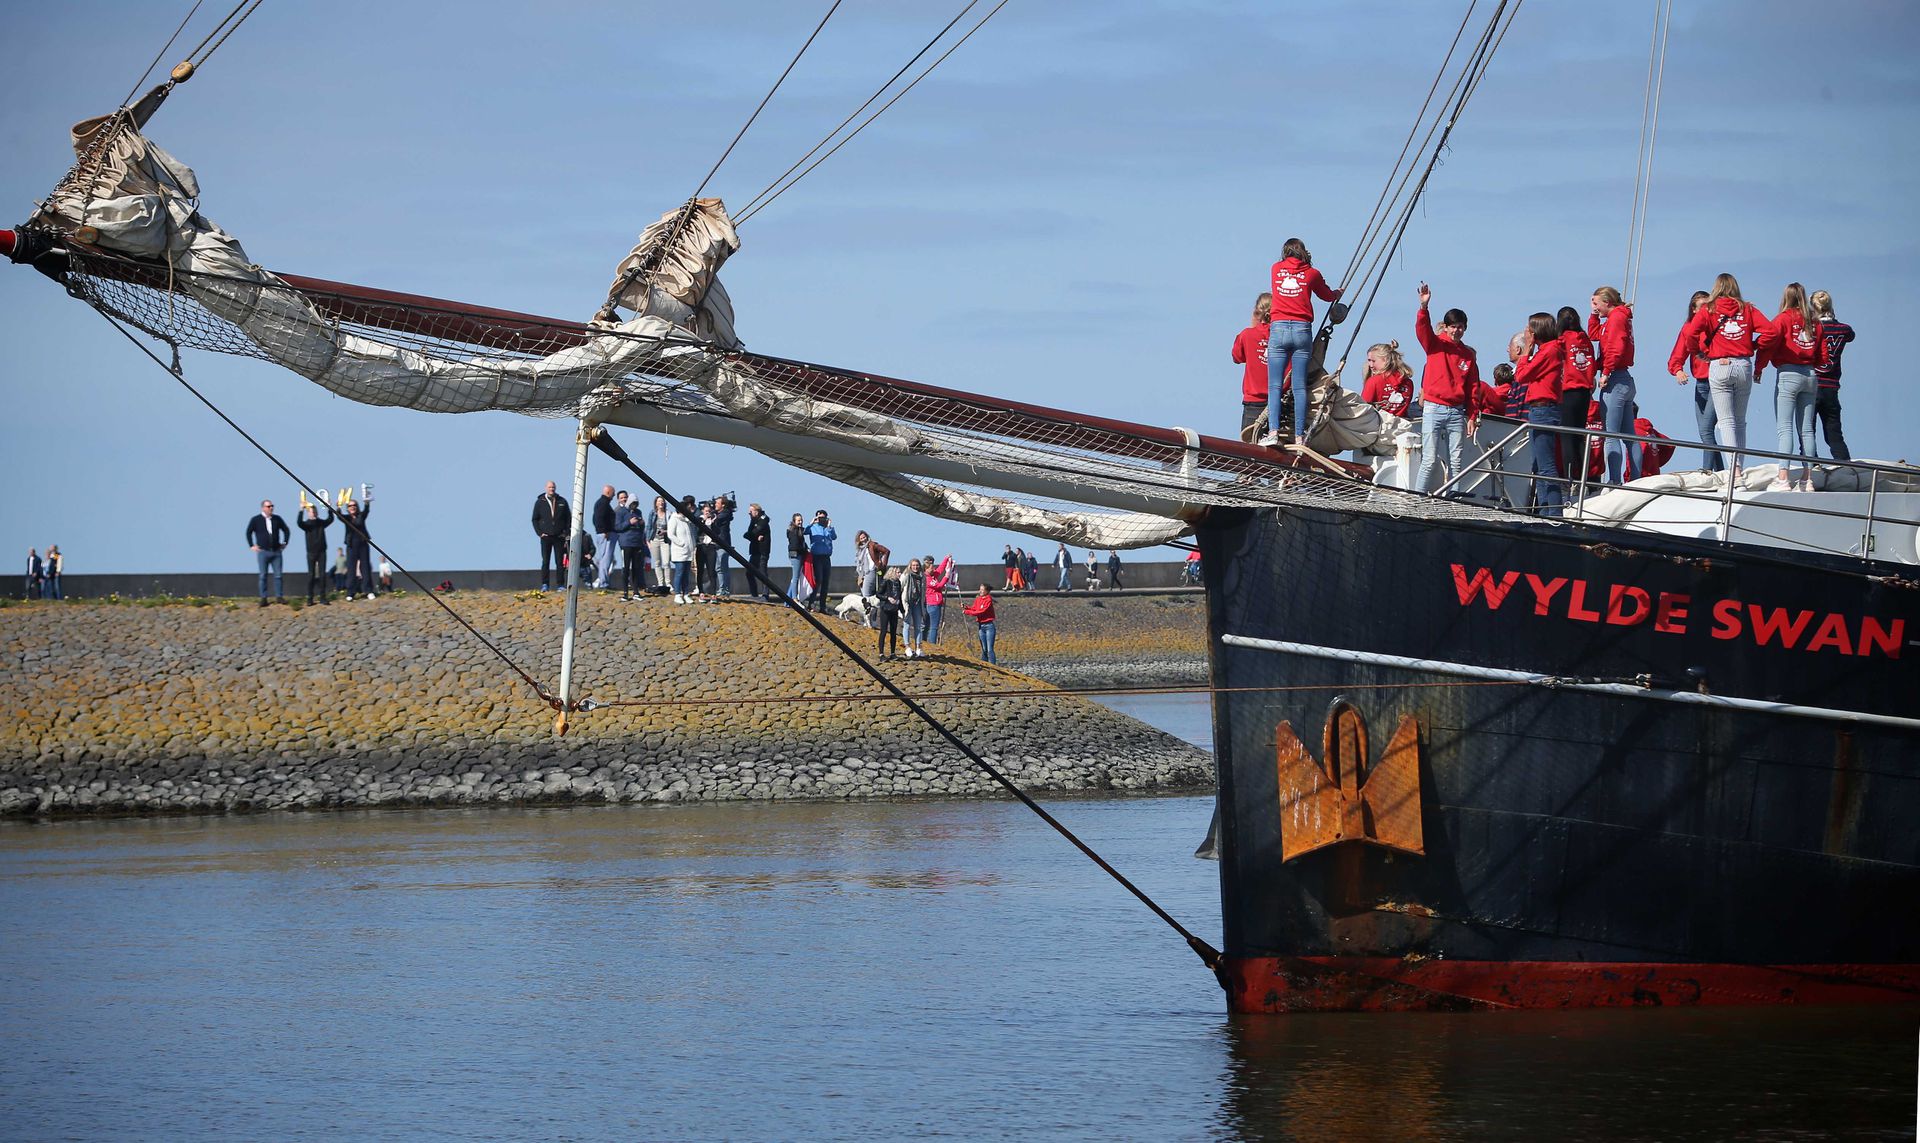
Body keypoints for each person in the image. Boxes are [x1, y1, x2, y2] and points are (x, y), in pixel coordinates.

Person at [1683, 273, 1773, 481]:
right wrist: (1753, 345)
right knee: (1740, 421)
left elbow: (1690, 334)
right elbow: (1771, 331)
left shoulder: (1708, 309)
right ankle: (1739, 465)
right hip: (1743, 365)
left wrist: (1698, 352)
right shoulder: (1747, 308)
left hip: (1720, 365)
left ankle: (1734, 471)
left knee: (1725, 421)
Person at [1265, 238, 1343, 447]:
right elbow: (1326, 296)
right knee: (1299, 386)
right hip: (1301, 329)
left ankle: (1273, 432)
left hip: (1279, 327)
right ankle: (1300, 436)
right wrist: (1338, 294)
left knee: (1274, 385)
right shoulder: (1312, 273)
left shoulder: (1275, 269)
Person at [1413, 283, 1481, 492]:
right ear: (1446, 327)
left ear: (1465, 328)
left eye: (1460, 326)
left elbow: (1473, 388)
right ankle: (1417, 499)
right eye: (1453, 326)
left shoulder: (1468, 355)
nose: (1456, 330)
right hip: (1434, 408)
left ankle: (1454, 497)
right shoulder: (1435, 344)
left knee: (1457, 461)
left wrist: (1473, 415)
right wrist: (1423, 308)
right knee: (1430, 459)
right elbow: (1422, 330)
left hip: (1456, 411)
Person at [1769, 282, 1827, 491]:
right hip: (1810, 375)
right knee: (1807, 430)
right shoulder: (1815, 322)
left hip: (1788, 373)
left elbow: (1769, 340)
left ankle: (1783, 477)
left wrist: (1763, 364)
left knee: (1785, 428)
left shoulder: (1782, 319)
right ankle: (1807, 478)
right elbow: (1823, 356)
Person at [1516, 312, 1568, 516]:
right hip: (1540, 409)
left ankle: (1554, 513)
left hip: (1544, 410)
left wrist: (1526, 350)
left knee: (1546, 466)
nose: (1527, 333)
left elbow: (1521, 375)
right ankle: (1545, 509)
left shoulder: (1549, 351)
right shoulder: (1549, 350)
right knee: (1538, 465)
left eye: (1529, 330)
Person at [1588, 287, 1638, 483]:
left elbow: (1616, 347)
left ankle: (1615, 481)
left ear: (1607, 302)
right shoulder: (1616, 318)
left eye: (1597, 303)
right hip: (1624, 379)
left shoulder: (1616, 318)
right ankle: (1635, 477)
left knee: (1611, 435)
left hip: (1615, 379)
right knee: (1629, 437)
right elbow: (1594, 334)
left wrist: (1606, 372)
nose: (1595, 307)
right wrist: (1593, 315)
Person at [1667, 290, 1720, 471]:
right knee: (1706, 432)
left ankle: (1708, 470)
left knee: (1707, 430)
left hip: (1718, 382)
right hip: (1701, 384)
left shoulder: (1716, 326)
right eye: (1703, 307)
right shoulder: (1689, 328)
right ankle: (1721, 472)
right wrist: (1678, 370)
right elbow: (1677, 355)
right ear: (1694, 309)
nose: (1707, 310)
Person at [1807, 290, 1856, 463]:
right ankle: (1846, 467)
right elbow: (1851, 335)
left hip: (1810, 385)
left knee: (1807, 432)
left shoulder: (1810, 329)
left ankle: (1811, 467)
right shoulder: (1842, 329)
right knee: (1834, 433)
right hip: (1831, 387)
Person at [1557, 307, 1599, 485]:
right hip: (1585, 393)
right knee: (1580, 437)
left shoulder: (1562, 339)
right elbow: (1593, 365)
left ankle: (1569, 479)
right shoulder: (1586, 340)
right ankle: (1585, 477)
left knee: (1567, 436)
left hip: (1568, 390)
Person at [1233, 292, 1274, 441]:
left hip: (1253, 402)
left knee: (1250, 449)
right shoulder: (1283, 337)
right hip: (1279, 402)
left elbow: (1237, 357)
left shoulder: (1247, 335)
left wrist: (1254, 327)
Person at [246, 498, 291, 606]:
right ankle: (263, 598)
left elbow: (286, 530)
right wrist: (252, 545)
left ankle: (279, 596)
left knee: (278, 575)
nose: (271, 508)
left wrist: (284, 543)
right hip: (263, 552)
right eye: (268, 506)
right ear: (263, 508)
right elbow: (248, 532)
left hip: (276, 552)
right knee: (263, 575)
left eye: (272, 506)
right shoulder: (256, 519)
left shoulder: (277, 519)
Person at [1360, 341, 1416, 420]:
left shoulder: (1374, 381)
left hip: (1379, 426)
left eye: (1373, 361)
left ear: (1385, 360)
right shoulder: (1408, 383)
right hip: (1402, 425)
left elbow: (1363, 409)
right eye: (1369, 361)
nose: (1371, 365)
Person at [531, 480, 570, 592]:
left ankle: (560, 585)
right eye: (549, 487)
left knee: (559, 562)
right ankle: (545, 584)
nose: (551, 489)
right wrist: (540, 533)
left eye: (553, 487)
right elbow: (534, 519)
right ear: (545, 488)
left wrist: (565, 532)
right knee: (545, 561)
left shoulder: (561, 501)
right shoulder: (540, 502)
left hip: (559, 536)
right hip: (546, 537)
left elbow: (568, 518)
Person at [297, 499, 335, 605]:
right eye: (311, 512)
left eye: (314, 512)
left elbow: (330, 519)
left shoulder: (321, 523)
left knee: (322, 575)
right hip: (311, 553)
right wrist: (301, 510)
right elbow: (299, 523)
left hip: (322, 552)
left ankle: (323, 597)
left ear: (317, 513)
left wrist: (329, 508)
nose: (313, 513)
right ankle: (310, 598)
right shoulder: (307, 525)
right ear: (308, 513)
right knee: (311, 575)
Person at [341, 495, 375, 599]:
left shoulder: (361, 516)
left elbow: (366, 511)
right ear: (347, 508)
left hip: (363, 544)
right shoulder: (346, 518)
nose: (352, 507)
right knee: (351, 569)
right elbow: (338, 515)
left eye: (354, 505)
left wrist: (366, 502)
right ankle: (350, 592)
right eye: (350, 506)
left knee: (365, 567)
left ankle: (368, 590)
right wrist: (338, 506)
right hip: (351, 545)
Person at [615, 493, 647, 600]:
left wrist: (641, 524)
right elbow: (617, 527)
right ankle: (625, 593)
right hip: (626, 543)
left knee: (636, 568)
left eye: (636, 504)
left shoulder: (638, 512)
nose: (634, 506)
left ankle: (636, 592)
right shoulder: (619, 512)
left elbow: (642, 528)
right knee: (626, 568)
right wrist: (629, 522)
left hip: (637, 543)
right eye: (633, 503)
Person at [805, 509, 837, 613]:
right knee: (818, 580)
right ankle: (811, 603)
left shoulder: (827, 528)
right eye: (820, 517)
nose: (821, 519)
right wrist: (811, 523)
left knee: (825, 582)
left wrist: (829, 526)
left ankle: (822, 606)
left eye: (823, 517)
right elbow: (804, 532)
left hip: (826, 557)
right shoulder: (813, 527)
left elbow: (834, 537)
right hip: (816, 556)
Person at [667, 495, 697, 603]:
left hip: (688, 551)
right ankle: (678, 593)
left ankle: (686, 593)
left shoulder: (686, 520)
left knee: (686, 574)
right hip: (679, 551)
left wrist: (692, 545)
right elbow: (671, 534)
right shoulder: (674, 519)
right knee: (679, 572)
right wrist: (681, 543)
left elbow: (690, 534)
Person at [744, 502, 773, 600]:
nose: (749, 514)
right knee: (749, 573)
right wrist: (755, 537)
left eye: (750, 512)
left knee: (762, 573)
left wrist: (752, 535)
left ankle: (765, 594)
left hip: (762, 551)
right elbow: (749, 533)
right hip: (755, 550)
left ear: (756, 511)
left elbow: (754, 532)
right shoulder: (753, 521)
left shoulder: (763, 520)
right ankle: (754, 594)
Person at [923, 553, 954, 644]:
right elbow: (939, 586)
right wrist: (947, 576)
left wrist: (946, 559)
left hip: (932, 603)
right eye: (931, 568)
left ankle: (924, 642)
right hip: (933, 604)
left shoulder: (932, 576)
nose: (934, 569)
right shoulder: (927, 579)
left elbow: (940, 569)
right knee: (934, 626)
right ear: (926, 569)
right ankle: (932, 644)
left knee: (927, 625)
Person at [963, 584, 998, 665]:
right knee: (984, 649)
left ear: (987, 591)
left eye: (982, 590)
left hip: (989, 626)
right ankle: (984, 664)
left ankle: (993, 666)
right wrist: (966, 607)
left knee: (989, 649)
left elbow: (981, 612)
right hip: (981, 626)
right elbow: (975, 608)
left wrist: (967, 612)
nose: (980, 591)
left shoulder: (988, 600)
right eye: (980, 589)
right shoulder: (978, 599)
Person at [590, 484, 616, 591]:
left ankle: (604, 581)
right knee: (605, 559)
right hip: (606, 534)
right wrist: (604, 531)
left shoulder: (602, 503)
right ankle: (604, 583)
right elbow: (598, 518)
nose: (614, 495)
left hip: (605, 533)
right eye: (613, 493)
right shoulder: (603, 504)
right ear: (609, 492)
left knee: (606, 559)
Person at [874, 567, 904, 659]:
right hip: (885, 609)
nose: (900, 574)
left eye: (900, 572)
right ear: (892, 573)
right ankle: (881, 654)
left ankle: (892, 653)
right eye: (898, 572)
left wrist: (902, 610)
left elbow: (900, 596)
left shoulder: (898, 583)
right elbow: (878, 594)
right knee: (883, 631)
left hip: (894, 609)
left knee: (893, 632)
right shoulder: (886, 581)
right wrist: (887, 598)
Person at [647, 496, 674, 594]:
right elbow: (649, 527)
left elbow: (672, 527)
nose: (661, 503)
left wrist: (665, 531)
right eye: (659, 501)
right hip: (655, 540)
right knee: (657, 562)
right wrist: (647, 541)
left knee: (666, 562)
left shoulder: (669, 514)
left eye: (662, 501)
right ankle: (660, 582)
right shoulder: (652, 513)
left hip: (665, 540)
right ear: (656, 503)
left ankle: (668, 583)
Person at [710, 494, 736, 595]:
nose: (715, 505)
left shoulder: (725, 513)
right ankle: (723, 588)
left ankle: (724, 589)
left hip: (723, 543)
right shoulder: (720, 513)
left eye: (717, 503)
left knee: (722, 567)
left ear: (723, 505)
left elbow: (717, 521)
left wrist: (712, 516)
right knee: (719, 567)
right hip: (717, 543)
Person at [902, 558, 928, 658]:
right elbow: (900, 587)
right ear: (910, 566)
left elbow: (924, 590)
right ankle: (907, 647)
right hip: (908, 603)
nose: (915, 567)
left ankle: (918, 647)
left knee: (918, 626)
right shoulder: (906, 575)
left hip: (917, 603)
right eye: (913, 565)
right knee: (907, 625)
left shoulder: (922, 577)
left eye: (917, 565)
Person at [695, 502, 718, 596]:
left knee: (711, 570)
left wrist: (712, 523)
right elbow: (697, 532)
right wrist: (703, 521)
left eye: (709, 511)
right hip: (701, 546)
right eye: (706, 511)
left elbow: (717, 532)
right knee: (700, 570)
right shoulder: (698, 519)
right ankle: (701, 592)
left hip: (711, 546)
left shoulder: (714, 520)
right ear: (702, 511)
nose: (707, 513)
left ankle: (713, 593)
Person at [786, 512, 809, 602]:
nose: (800, 522)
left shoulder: (798, 530)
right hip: (796, 555)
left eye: (801, 520)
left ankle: (788, 598)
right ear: (794, 521)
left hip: (797, 554)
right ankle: (794, 597)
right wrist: (804, 550)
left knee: (796, 577)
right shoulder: (793, 531)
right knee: (795, 577)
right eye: (799, 520)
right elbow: (795, 545)